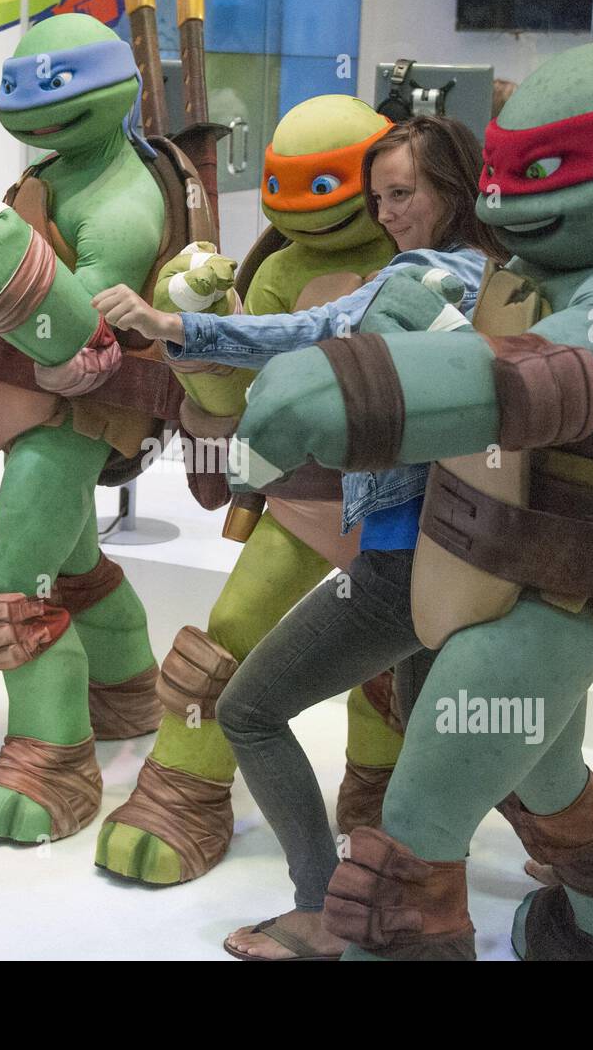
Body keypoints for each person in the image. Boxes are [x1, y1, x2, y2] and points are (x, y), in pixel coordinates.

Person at [93, 116, 508, 959]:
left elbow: (307, 335)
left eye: (405, 193)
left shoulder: (419, 279)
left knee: (247, 708)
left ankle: (323, 907)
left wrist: (180, 328)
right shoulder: (497, 275)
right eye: (379, 195)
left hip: (400, 555)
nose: (388, 212)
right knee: (445, 742)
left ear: (453, 192)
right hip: (468, 550)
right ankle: (563, 882)